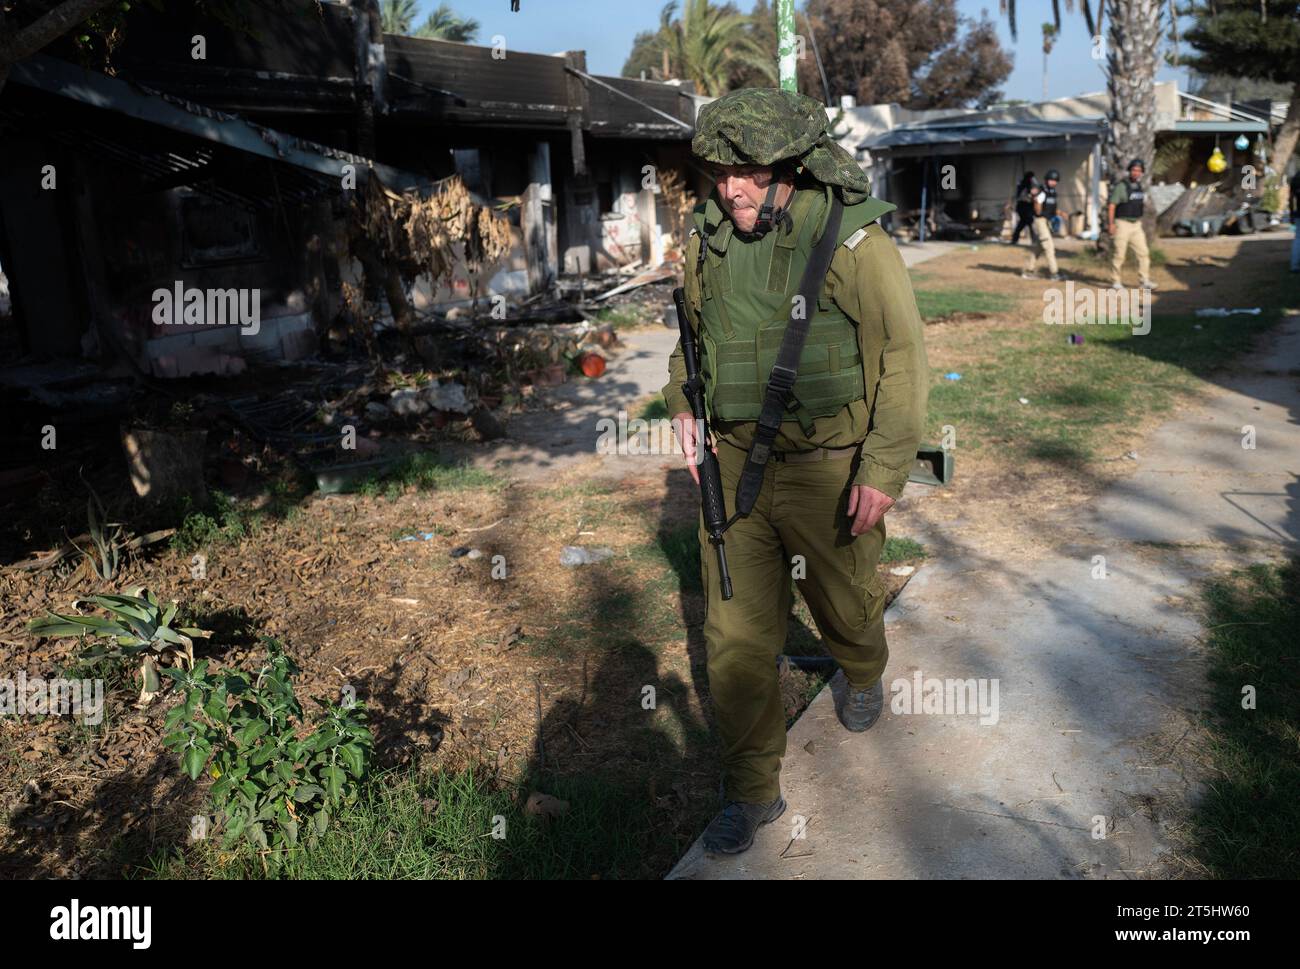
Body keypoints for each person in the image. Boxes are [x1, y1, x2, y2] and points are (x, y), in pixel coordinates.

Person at [662, 88, 929, 856]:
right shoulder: (708, 237)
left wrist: (882, 468)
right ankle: (752, 788)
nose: (730, 187)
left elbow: (903, 357)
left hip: (829, 467)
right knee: (735, 635)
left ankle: (863, 666)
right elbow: (693, 333)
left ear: (788, 167)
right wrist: (686, 402)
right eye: (719, 170)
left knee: (846, 605)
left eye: (745, 170)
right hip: (736, 464)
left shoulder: (850, 239)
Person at [1107, 158, 1156, 290]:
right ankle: (1116, 281)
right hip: (1122, 223)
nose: (1136, 173)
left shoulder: (1139, 187)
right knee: (1119, 254)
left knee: (1144, 253)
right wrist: (1111, 224)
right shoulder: (1121, 186)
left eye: (1139, 171)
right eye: (1134, 170)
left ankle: (1144, 280)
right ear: (1129, 171)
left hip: (1136, 224)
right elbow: (1112, 205)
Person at [1023, 168, 1063, 280]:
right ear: (1046, 180)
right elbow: (1037, 204)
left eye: (1055, 180)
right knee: (1049, 246)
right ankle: (1054, 273)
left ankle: (1028, 270)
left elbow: (1051, 208)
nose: (1053, 182)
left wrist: (1060, 213)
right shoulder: (1041, 191)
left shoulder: (1053, 192)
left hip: (1048, 221)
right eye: (1051, 180)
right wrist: (1038, 210)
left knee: (1038, 248)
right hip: (1040, 221)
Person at [1010, 172, 1038, 244]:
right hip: (1024, 206)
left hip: (1024, 206)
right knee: (1029, 222)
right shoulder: (1025, 184)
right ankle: (1034, 240)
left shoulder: (1022, 183)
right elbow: (1029, 195)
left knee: (1023, 223)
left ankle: (1014, 239)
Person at [1289, 168, 1300, 273]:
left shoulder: (1296, 178)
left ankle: (1294, 265)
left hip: (1299, 213)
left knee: (1298, 240)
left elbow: (1291, 198)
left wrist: (1291, 214)